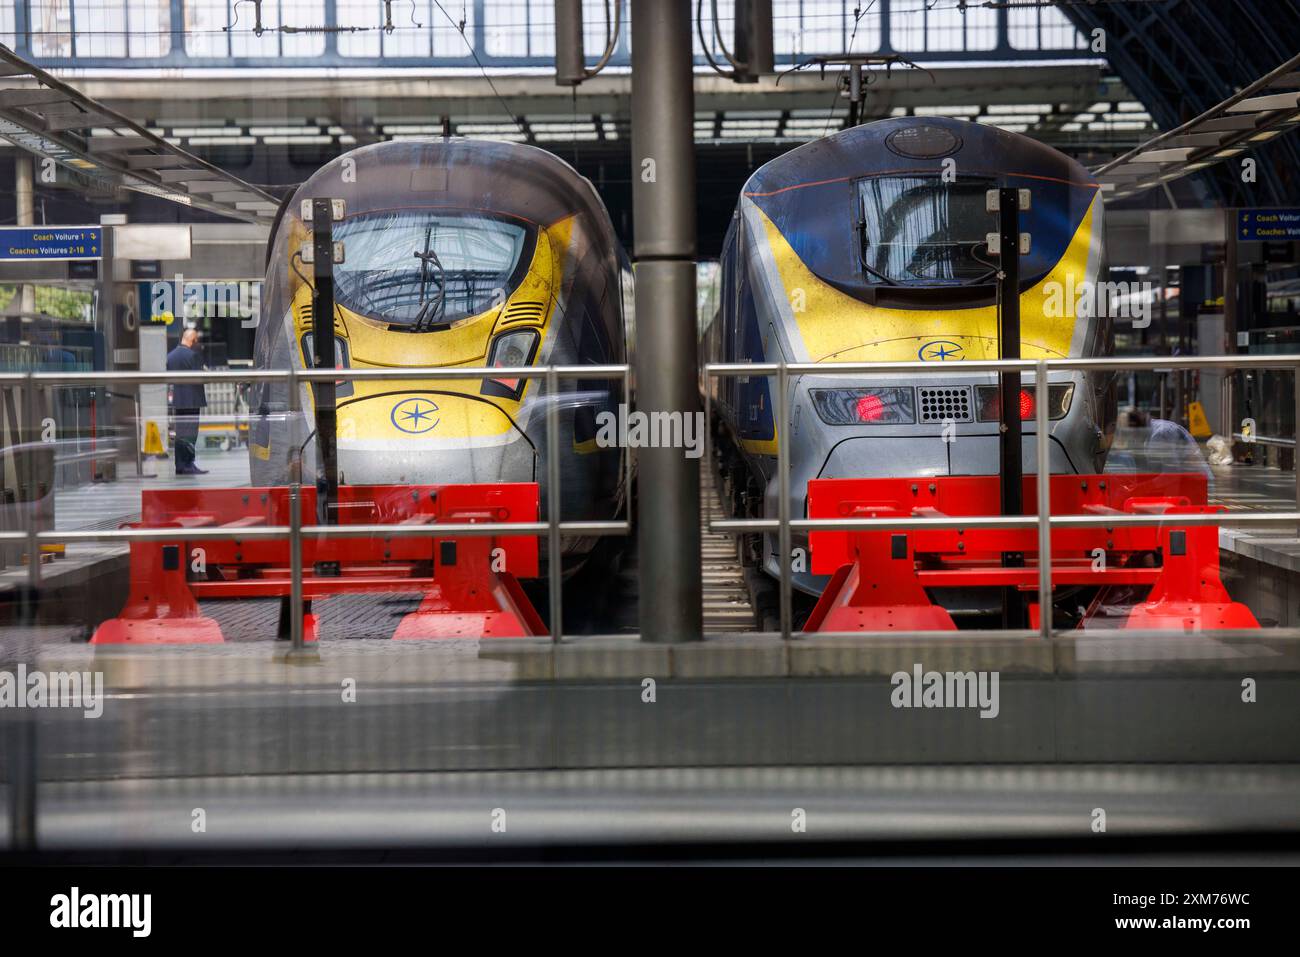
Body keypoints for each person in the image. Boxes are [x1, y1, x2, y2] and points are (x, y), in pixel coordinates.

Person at [167, 327, 208, 475]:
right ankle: (189, 464)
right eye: (196, 340)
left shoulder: (170, 356)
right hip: (192, 400)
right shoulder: (193, 356)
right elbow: (200, 378)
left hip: (178, 400)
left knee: (180, 433)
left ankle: (179, 465)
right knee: (190, 433)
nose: (197, 343)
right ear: (192, 340)